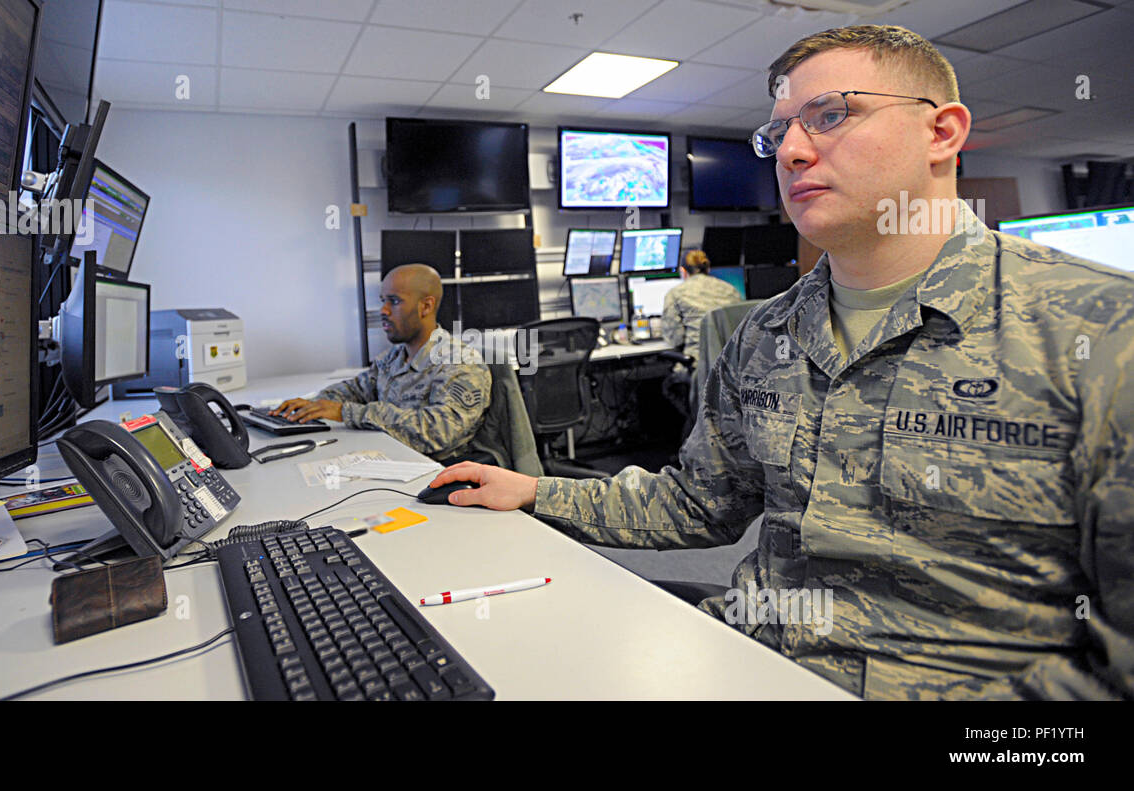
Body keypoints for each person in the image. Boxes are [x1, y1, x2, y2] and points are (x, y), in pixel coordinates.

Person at [424, 25, 1134, 700]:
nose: (791, 151)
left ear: (941, 132)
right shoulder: (764, 334)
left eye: (830, 115)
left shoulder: (1100, 332)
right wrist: (534, 490)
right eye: (778, 132)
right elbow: (697, 503)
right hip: (747, 653)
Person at [273, 264, 491, 463]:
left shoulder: (461, 364)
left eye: (394, 301)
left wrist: (348, 413)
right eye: (382, 301)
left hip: (434, 474)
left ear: (425, 306)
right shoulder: (395, 356)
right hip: (388, 458)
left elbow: (438, 432)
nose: (383, 311)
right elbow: (355, 390)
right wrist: (311, 406)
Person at [660, 249, 743, 364]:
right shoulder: (730, 289)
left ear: (683, 271)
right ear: (708, 269)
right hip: (732, 365)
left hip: (699, 365)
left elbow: (675, 339)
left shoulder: (675, 294)